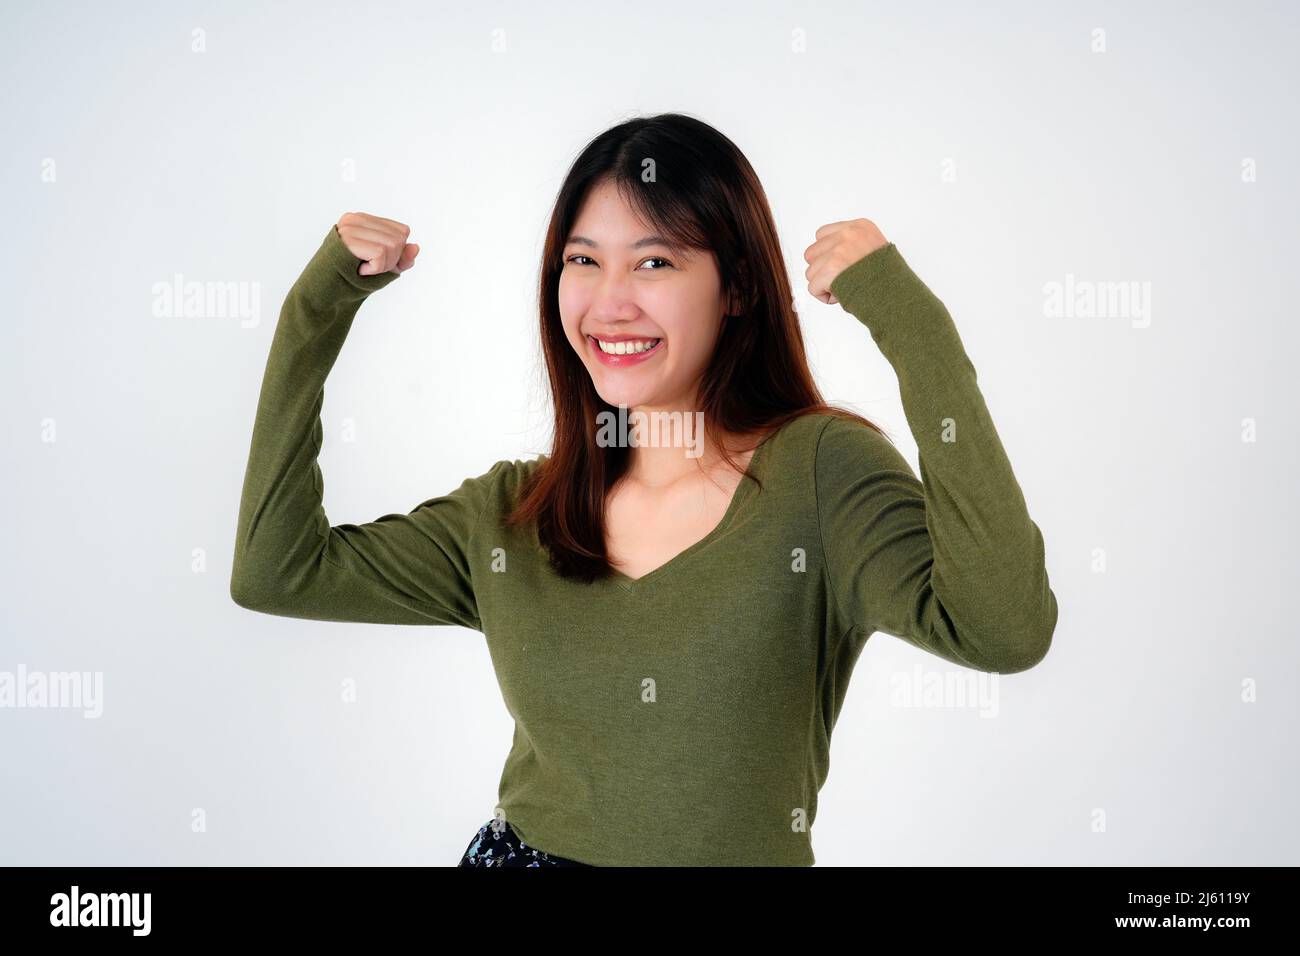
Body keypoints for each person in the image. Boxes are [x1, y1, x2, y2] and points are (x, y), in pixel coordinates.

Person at [230, 112, 1058, 867]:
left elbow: (1003, 631)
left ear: (737, 288)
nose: (609, 302)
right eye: (583, 260)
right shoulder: (514, 512)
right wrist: (317, 308)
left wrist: (912, 326)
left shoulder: (821, 474)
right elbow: (278, 571)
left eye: (655, 260)